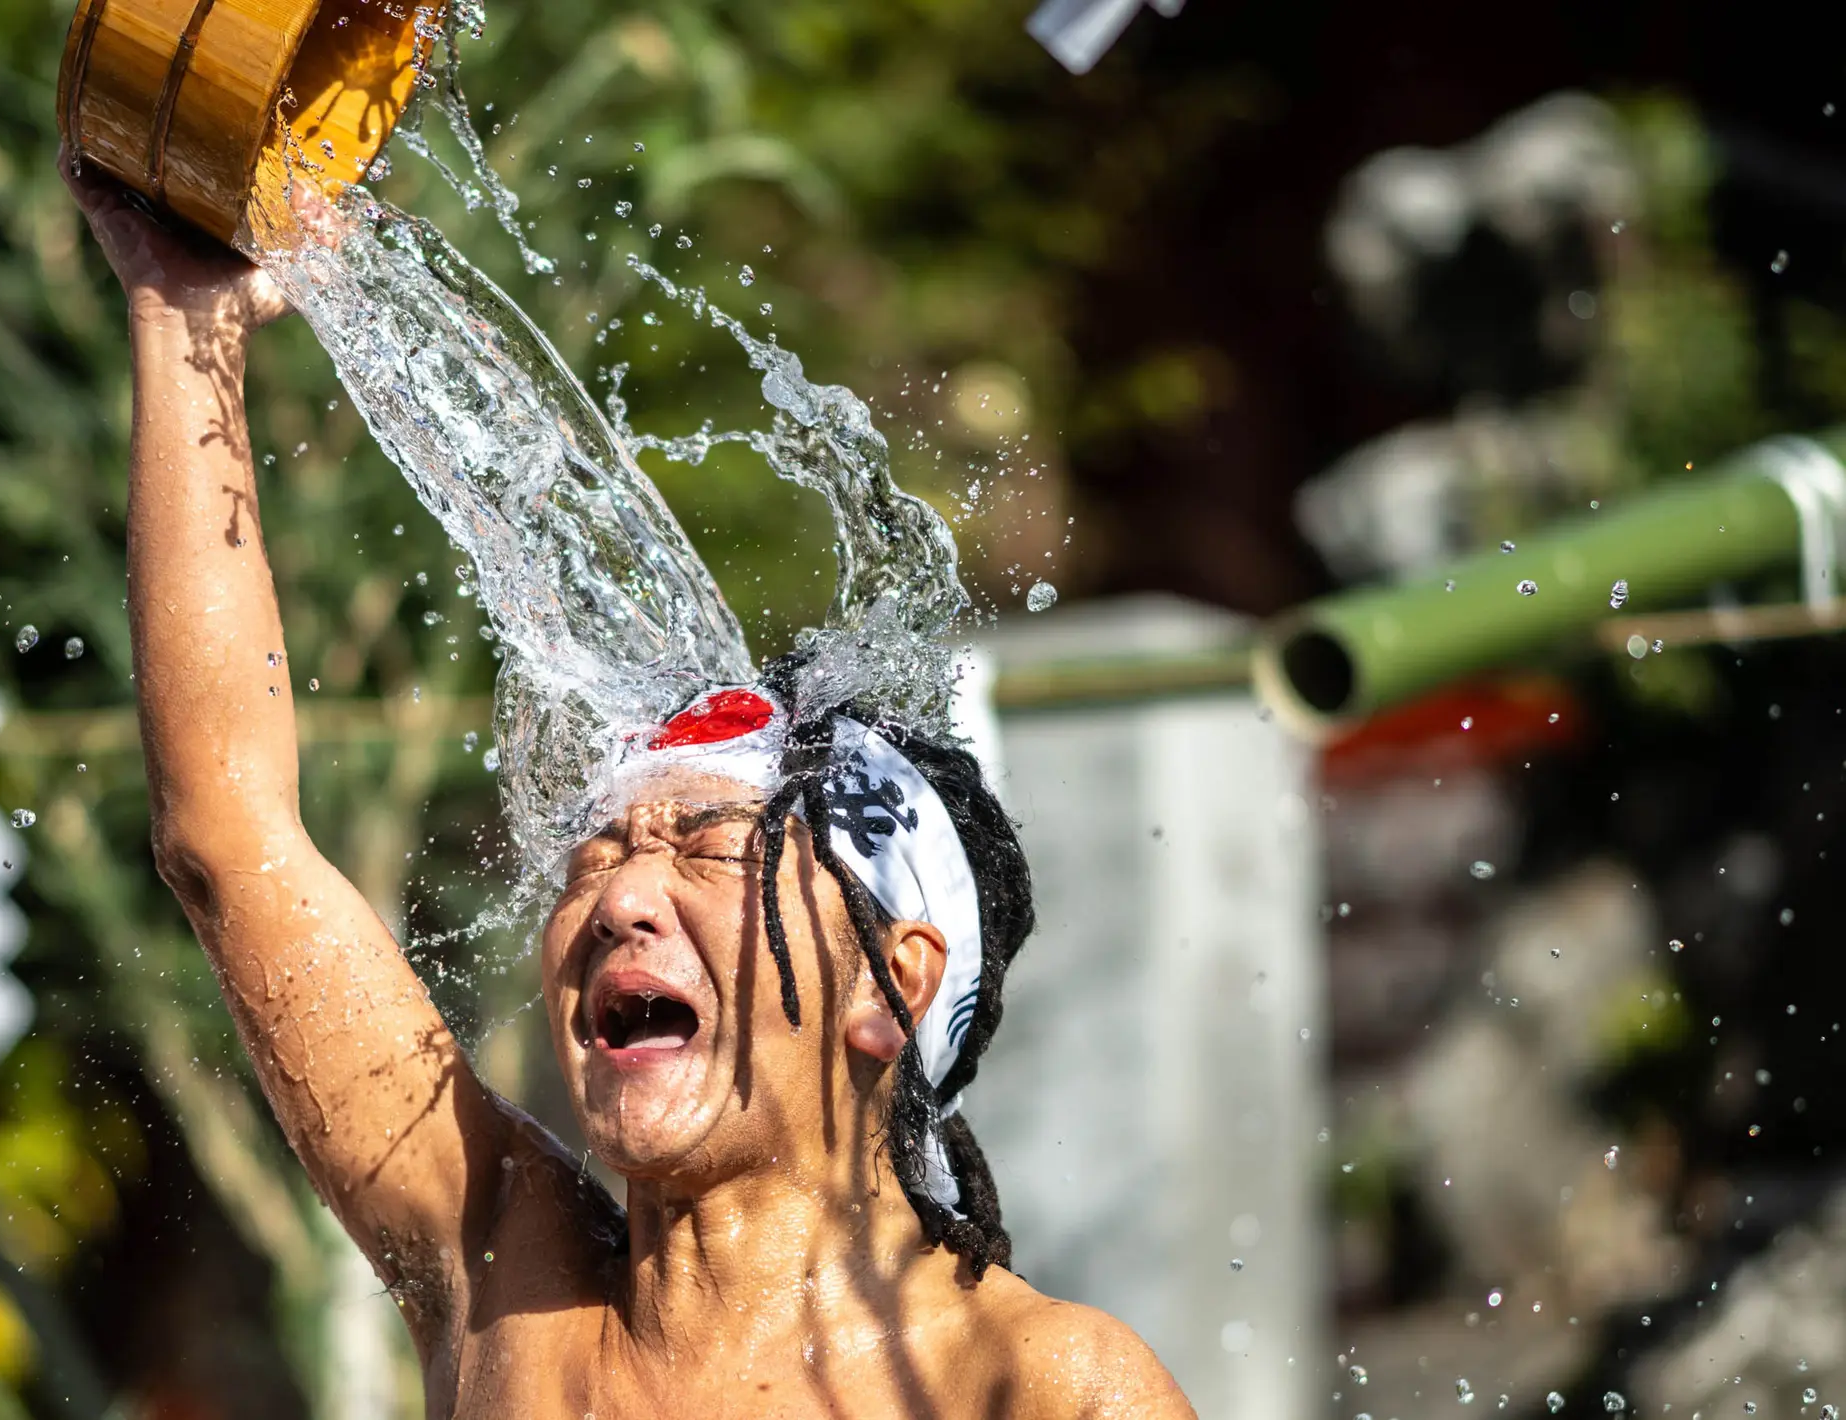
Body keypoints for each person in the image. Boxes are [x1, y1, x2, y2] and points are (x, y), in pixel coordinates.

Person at [65, 153, 1195, 1418]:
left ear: (890, 981)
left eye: (706, 847)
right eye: (593, 858)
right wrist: (183, 319)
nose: (616, 901)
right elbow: (228, 836)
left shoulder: (1039, 1384)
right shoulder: (503, 1273)